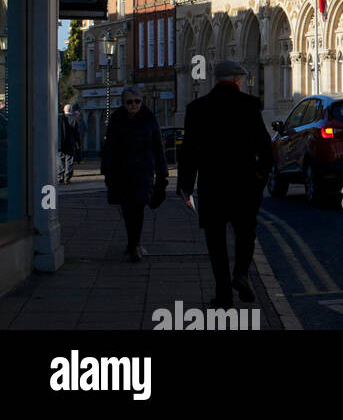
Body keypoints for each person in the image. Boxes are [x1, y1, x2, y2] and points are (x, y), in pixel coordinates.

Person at [178, 60, 273, 309]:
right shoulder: (249, 106)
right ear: (237, 80)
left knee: (216, 241)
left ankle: (223, 295)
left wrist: (185, 185)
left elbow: (189, 152)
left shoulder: (197, 108)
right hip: (245, 184)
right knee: (245, 233)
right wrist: (261, 177)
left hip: (212, 185)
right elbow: (265, 148)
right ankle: (241, 273)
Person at [101, 87, 166, 261]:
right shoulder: (116, 119)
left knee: (138, 207)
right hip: (121, 172)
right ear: (123, 103)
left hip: (142, 171)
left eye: (137, 101)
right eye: (129, 102)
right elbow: (109, 148)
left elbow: (158, 148)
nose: (133, 105)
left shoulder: (149, 119)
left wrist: (162, 174)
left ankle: (135, 245)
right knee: (127, 208)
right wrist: (107, 171)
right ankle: (132, 243)